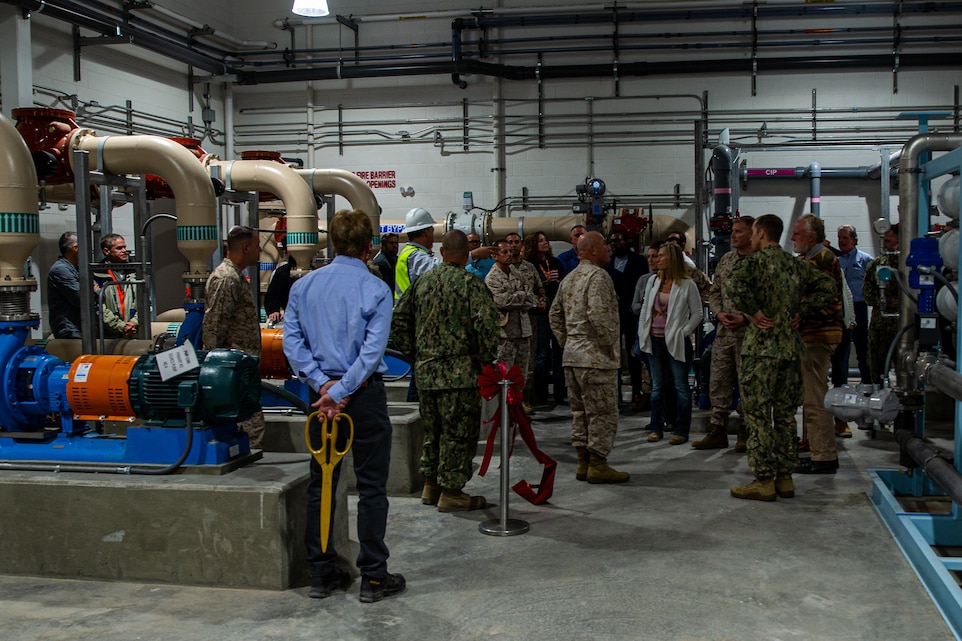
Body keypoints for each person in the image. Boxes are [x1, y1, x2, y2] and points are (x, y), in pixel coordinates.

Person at [283, 209, 405, 603]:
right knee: (371, 488)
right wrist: (343, 390)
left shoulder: (304, 287)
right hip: (362, 396)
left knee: (322, 483)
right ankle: (373, 577)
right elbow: (372, 351)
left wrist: (324, 387)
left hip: (321, 399)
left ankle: (322, 573)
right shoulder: (375, 289)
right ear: (369, 246)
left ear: (332, 244)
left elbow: (293, 344)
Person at [727, 214, 838, 501]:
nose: (751, 237)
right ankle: (785, 477)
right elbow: (828, 288)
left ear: (761, 233)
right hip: (790, 348)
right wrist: (799, 311)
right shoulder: (795, 265)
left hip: (760, 350)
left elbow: (733, 286)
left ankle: (763, 479)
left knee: (759, 416)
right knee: (786, 416)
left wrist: (752, 311)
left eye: (752, 232)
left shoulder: (752, 264)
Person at [391, 230, 500, 512]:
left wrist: (414, 354)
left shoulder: (422, 283)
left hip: (427, 373)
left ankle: (431, 485)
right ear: (466, 255)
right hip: (460, 374)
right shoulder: (470, 284)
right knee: (459, 434)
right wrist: (486, 363)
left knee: (433, 431)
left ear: (440, 253)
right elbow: (488, 327)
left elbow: (399, 318)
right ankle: (452, 491)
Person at [549, 231, 628, 483]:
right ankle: (598, 463)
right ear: (592, 250)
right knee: (602, 413)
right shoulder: (598, 276)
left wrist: (569, 342)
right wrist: (609, 345)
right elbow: (598, 315)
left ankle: (583, 462)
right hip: (595, 359)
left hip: (573, 357)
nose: (608, 248)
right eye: (604, 244)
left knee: (580, 413)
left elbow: (554, 315)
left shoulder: (570, 278)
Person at [692, 216, 755, 451]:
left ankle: (745, 431)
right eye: (733, 231)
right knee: (718, 382)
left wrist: (745, 317)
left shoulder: (760, 261)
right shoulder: (726, 260)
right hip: (724, 334)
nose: (733, 235)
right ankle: (717, 429)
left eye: (739, 231)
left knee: (747, 385)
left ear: (752, 234)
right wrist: (718, 314)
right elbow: (714, 291)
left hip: (750, 334)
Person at [203, 225, 266, 449]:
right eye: (257, 246)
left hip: (241, 368)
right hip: (232, 370)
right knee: (252, 428)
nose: (260, 250)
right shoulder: (227, 278)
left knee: (251, 426)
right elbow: (215, 326)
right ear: (246, 247)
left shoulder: (235, 277)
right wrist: (215, 372)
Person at [791, 214, 844, 475]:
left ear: (811, 236)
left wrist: (799, 311)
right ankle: (816, 449)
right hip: (812, 336)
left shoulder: (820, 258)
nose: (793, 239)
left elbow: (823, 297)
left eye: (797, 234)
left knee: (815, 399)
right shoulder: (811, 258)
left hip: (817, 336)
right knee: (811, 397)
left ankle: (823, 457)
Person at [637, 242, 703, 445]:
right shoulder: (653, 282)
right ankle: (656, 426)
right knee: (657, 387)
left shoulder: (687, 284)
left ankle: (681, 430)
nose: (657, 259)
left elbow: (698, 313)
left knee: (681, 387)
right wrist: (642, 334)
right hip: (654, 341)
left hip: (675, 342)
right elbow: (646, 309)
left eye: (662, 256)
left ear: (672, 259)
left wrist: (683, 331)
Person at [604, 230, 649, 410]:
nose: (616, 244)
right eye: (612, 241)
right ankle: (616, 392)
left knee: (634, 354)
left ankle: (637, 390)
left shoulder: (638, 261)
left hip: (633, 313)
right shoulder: (607, 264)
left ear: (626, 241)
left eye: (619, 239)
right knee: (613, 354)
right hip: (614, 314)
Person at [523, 231, 566, 406]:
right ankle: (540, 394)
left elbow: (563, 282)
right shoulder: (530, 265)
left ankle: (559, 393)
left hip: (557, 312)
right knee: (541, 354)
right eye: (541, 241)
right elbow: (530, 289)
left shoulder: (555, 263)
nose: (545, 243)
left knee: (559, 352)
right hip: (540, 314)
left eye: (546, 240)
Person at [486, 240, 539, 376]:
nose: (510, 254)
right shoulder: (492, 278)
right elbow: (501, 301)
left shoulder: (518, 274)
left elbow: (532, 298)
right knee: (503, 376)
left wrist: (516, 297)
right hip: (505, 335)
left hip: (524, 332)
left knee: (522, 376)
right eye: (505, 252)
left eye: (510, 251)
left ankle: (520, 398)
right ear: (495, 256)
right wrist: (521, 295)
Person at [506, 231, 546, 414]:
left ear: (521, 245)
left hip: (529, 321)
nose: (513, 246)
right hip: (508, 324)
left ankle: (526, 400)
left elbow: (539, 290)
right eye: (510, 243)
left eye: (516, 242)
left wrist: (542, 300)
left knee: (528, 364)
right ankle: (508, 402)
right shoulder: (501, 269)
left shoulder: (529, 268)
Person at [863, 223, 901, 384]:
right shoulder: (877, 265)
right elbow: (867, 294)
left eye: (890, 241)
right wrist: (884, 301)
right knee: (876, 369)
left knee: (905, 369)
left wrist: (902, 302)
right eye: (885, 241)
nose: (886, 245)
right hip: (880, 328)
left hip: (902, 328)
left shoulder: (909, 267)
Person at [837, 224, 873, 384]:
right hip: (840, 309)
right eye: (839, 237)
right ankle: (840, 384)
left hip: (858, 307)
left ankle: (867, 382)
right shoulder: (835, 260)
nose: (841, 241)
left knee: (862, 347)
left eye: (845, 237)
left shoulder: (865, 260)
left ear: (854, 240)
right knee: (841, 349)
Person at [94, 233, 138, 339]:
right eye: (119, 248)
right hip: (108, 335)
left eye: (124, 247)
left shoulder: (136, 272)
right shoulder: (98, 275)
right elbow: (98, 306)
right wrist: (120, 326)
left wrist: (134, 322)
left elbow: (145, 302)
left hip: (134, 331)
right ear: (106, 251)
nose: (124, 251)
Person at [47, 231, 82, 339]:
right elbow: (82, 298)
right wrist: (96, 292)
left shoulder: (76, 269)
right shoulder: (60, 270)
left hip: (80, 326)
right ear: (75, 248)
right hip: (70, 329)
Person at [665, 231, 711, 300]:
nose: (669, 242)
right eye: (668, 240)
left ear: (683, 244)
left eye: (673, 239)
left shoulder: (687, 264)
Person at [264, 253, 297, 325]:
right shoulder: (282, 273)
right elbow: (272, 295)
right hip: (291, 318)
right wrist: (274, 311)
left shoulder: (315, 274)